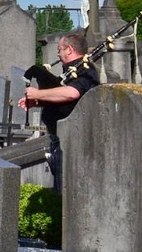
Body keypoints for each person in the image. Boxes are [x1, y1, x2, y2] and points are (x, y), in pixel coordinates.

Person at [19, 31, 99, 190]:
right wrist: (38, 102)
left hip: (72, 141)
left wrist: (38, 93)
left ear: (69, 49)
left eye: (59, 49)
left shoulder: (85, 69)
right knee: (59, 187)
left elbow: (72, 93)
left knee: (65, 190)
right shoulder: (73, 70)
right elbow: (66, 103)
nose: (58, 53)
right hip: (61, 138)